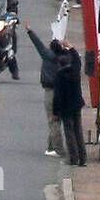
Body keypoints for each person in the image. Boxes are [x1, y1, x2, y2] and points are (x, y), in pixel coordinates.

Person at [24, 23, 66, 158]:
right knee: (58, 119)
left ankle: (58, 149)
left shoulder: (47, 55)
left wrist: (30, 31)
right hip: (62, 92)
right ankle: (51, 146)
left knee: (52, 120)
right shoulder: (64, 59)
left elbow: (38, 44)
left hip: (50, 91)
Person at [52, 40, 86, 166]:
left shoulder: (59, 76)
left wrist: (55, 112)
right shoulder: (75, 71)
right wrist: (70, 46)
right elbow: (78, 60)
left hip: (66, 107)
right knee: (78, 131)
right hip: (77, 104)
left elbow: (57, 96)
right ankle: (82, 159)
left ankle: (73, 158)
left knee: (69, 133)